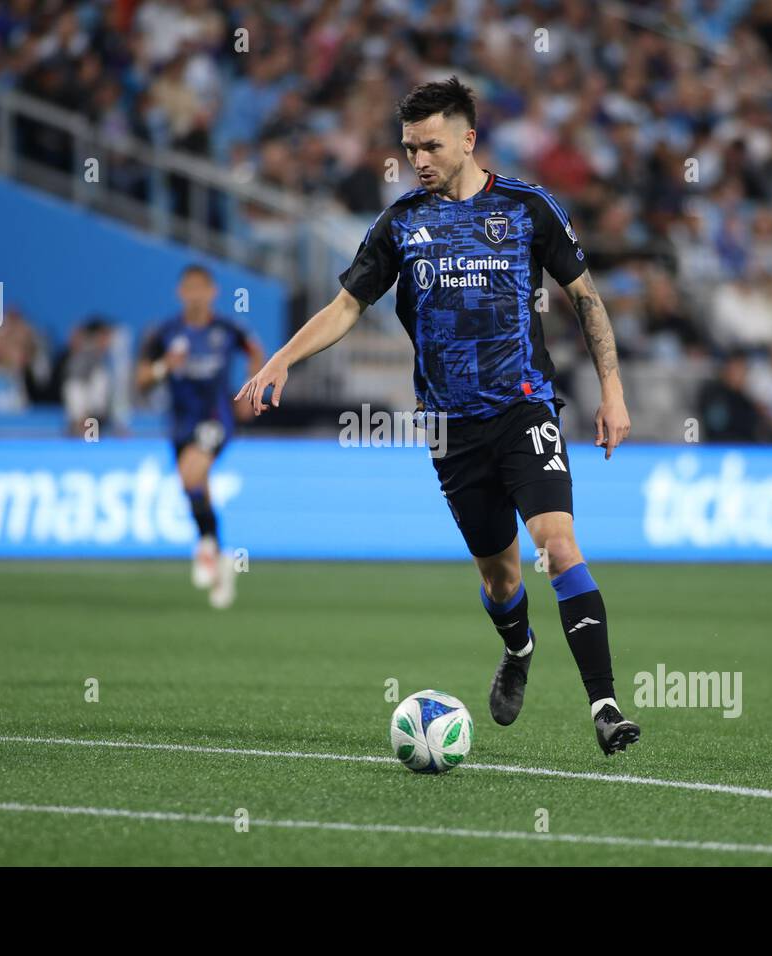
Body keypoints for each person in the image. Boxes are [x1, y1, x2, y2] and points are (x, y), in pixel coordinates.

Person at [237, 77, 639, 758]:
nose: (417, 159)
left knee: (558, 545)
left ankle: (604, 705)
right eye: (409, 146)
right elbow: (345, 307)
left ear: (467, 139)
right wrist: (281, 359)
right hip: (451, 430)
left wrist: (614, 389)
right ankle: (519, 646)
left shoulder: (527, 208)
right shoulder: (400, 224)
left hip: (524, 409)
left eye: (429, 145)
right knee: (500, 579)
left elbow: (586, 299)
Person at [138, 265, 263, 609]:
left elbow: (255, 351)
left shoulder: (227, 329)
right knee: (192, 484)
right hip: (180, 422)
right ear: (180, 292)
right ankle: (218, 555)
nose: (195, 295)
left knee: (193, 473)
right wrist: (165, 366)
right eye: (188, 288)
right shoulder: (165, 333)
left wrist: (251, 390)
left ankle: (206, 547)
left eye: (201, 288)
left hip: (215, 416)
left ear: (212, 292)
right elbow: (142, 378)